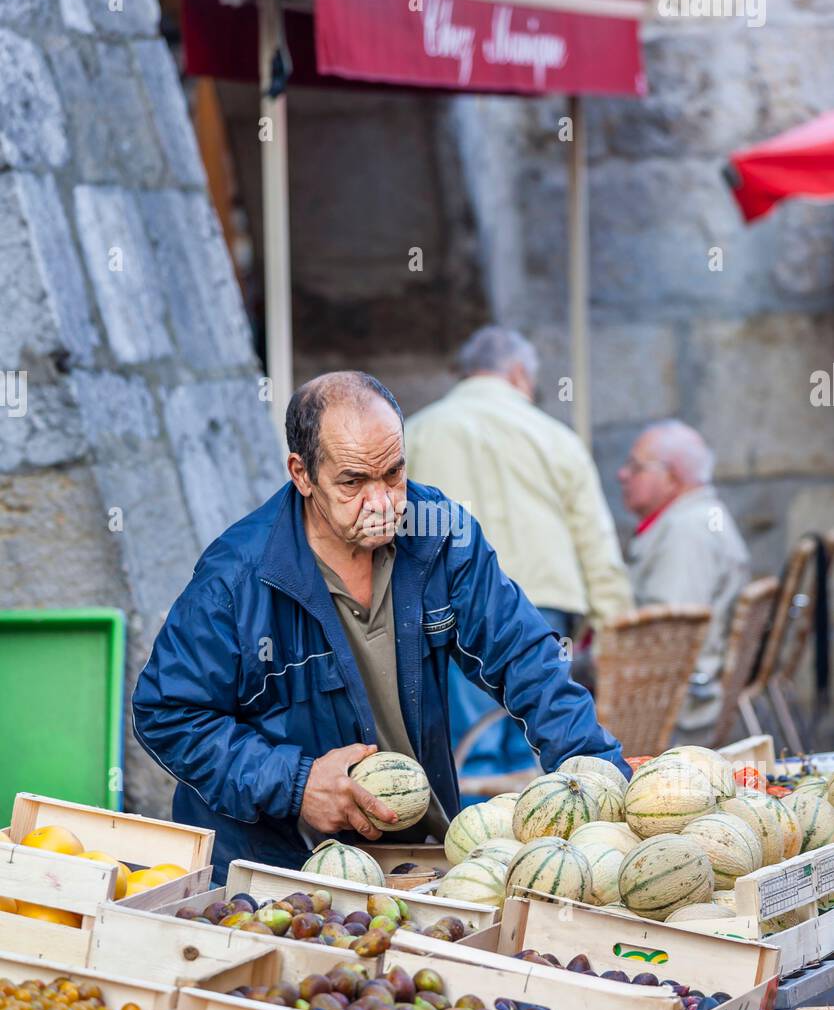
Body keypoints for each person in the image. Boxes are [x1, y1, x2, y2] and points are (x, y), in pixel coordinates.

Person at [133, 372, 629, 883]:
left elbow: (526, 659)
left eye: (393, 474)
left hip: (404, 856)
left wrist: (601, 779)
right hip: (263, 865)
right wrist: (296, 784)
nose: (382, 502)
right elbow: (166, 713)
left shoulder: (441, 536)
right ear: (302, 475)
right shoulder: (236, 579)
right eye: (353, 482)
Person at [406, 326, 633, 771]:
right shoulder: (556, 438)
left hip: (452, 610)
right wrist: (613, 624)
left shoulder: (416, 433)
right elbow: (596, 542)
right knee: (545, 741)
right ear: (517, 374)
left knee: (475, 750)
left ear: (467, 372)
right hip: (545, 607)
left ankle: (482, 837)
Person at [618, 420, 751, 734]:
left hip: (674, 714)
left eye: (635, 466)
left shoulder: (687, 532)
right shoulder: (699, 517)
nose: (622, 474)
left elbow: (666, 639)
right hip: (686, 698)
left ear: (671, 476)